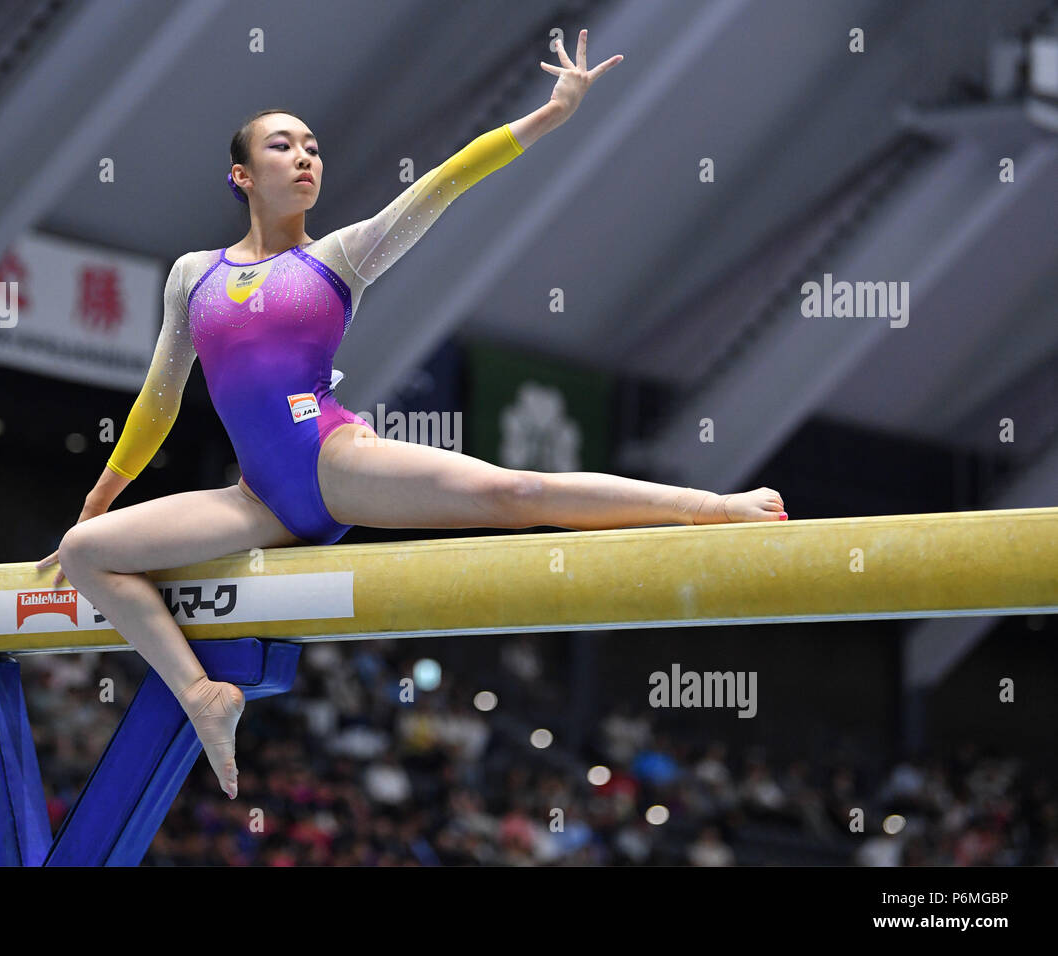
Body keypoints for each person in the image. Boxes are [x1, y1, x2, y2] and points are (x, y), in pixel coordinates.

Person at [38, 30, 785, 799]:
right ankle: (203, 696)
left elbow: (443, 182)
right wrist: (100, 497)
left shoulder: (338, 259)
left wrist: (549, 116)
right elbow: (161, 394)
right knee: (88, 550)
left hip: (334, 459)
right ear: (241, 174)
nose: (306, 158)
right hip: (256, 497)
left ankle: (714, 506)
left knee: (511, 495)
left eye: (314, 148)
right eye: (284, 145)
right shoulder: (193, 275)